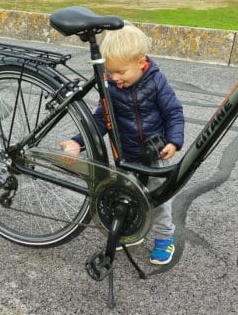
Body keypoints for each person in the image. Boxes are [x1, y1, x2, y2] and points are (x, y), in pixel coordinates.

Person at [60, 22, 184, 265]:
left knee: (158, 199)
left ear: (140, 62)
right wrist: (78, 142)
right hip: (125, 153)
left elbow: (174, 113)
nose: (115, 78)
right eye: (109, 72)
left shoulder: (157, 82)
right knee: (124, 196)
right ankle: (129, 231)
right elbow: (100, 120)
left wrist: (174, 141)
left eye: (120, 72)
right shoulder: (113, 87)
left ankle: (163, 238)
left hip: (153, 154)